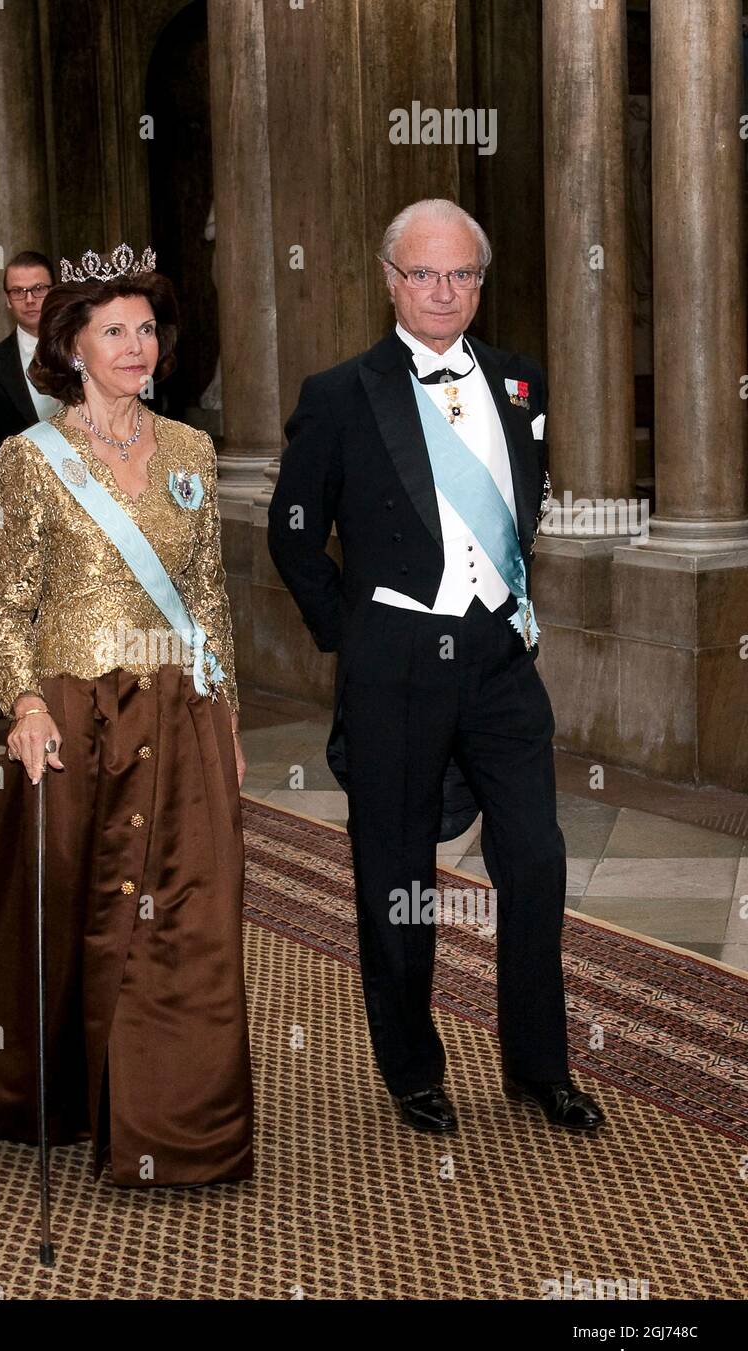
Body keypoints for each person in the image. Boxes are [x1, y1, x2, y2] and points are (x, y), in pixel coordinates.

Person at [268, 199, 605, 1136]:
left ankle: (539, 1067)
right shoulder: (340, 393)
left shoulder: (519, 381)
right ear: (391, 281)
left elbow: (521, 508)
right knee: (397, 868)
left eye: (462, 274)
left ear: (480, 283)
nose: (444, 292)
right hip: (398, 663)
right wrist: (355, 635)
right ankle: (413, 1068)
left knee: (535, 861)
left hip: (498, 659)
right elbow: (292, 532)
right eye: (424, 273)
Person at [0, 244, 253, 1187]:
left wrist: (228, 716)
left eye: (146, 329)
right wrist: (25, 702)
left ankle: (171, 1122)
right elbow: (5, 602)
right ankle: (52, 1091)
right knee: (63, 902)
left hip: (180, 709)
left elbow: (208, 597)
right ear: (70, 346)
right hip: (76, 714)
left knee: (185, 917)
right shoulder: (31, 459)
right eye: (113, 330)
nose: (135, 346)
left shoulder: (191, 451)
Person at [0, 251, 62, 646]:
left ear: (54, 290)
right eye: (19, 291)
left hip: (90, 504)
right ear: (6, 300)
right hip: (22, 516)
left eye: (39, 288)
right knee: (31, 629)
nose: (30, 299)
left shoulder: (87, 349)